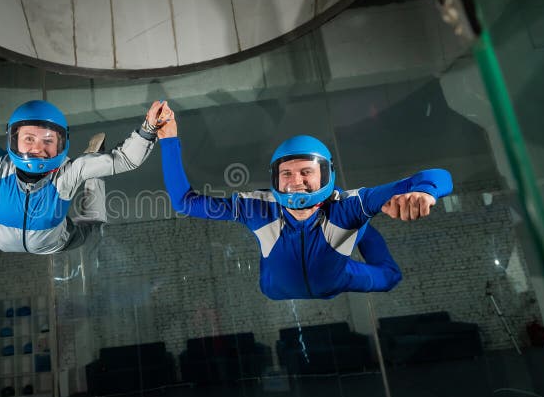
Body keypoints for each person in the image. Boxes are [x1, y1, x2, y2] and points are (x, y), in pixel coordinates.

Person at [0, 31, 167, 254]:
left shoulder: (65, 175)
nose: (37, 147)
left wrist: (148, 129)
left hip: (56, 242)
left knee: (93, 227)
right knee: (84, 174)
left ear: (60, 144)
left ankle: (93, 175)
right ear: (14, 139)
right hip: (4, 241)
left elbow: (125, 160)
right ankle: (92, 163)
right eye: (29, 138)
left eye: (48, 140)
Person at [156, 109, 453, 300]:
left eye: (306, 172)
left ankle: (362, 228)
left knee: (390, 277)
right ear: (275, 177)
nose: (295, 181)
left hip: (336, 278)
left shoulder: (348, 204)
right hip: (276, 287)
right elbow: (185, 203)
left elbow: (435, 176)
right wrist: (169, 140)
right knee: (355, 219)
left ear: (325, 174)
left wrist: (425, 193)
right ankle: (361, 227)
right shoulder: (257, 206)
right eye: (286, 173)